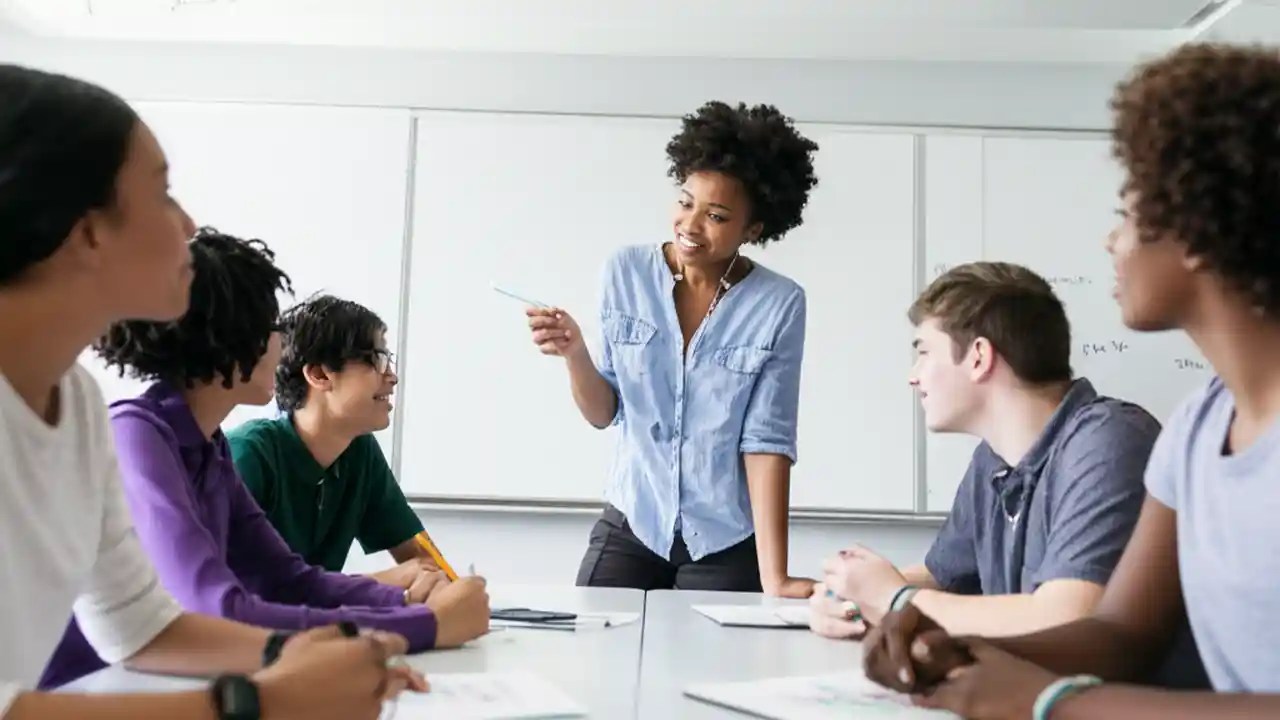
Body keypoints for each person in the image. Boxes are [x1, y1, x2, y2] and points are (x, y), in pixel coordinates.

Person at [863, 42, 1280, 719]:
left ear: (1199, 225)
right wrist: (958, 649)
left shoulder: (1121, 434)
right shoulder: (1198, 427)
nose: (1112, 242)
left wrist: (1052, 700)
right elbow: (1121, 633)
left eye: (1128, 213)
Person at [0, 63, 422, 720]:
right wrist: (260, 698)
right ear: (86, 228)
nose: (190, 223)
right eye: (163, 193)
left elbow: (140, 625)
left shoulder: (77, 401)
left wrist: (320, 654)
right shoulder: (138, 429)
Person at [42, 229, 491, 688]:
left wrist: (404, 602)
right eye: (275, 327)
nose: (284, 346)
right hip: (78, 690)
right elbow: (217, 608)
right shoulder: (136, 434)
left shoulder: (209, 445)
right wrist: (427, 626)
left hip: (158, 681)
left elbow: (288, 580)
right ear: (234, 334)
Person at [526, 101, 819, 597]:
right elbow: (604, 414)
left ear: (753, 229)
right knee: (594, 639)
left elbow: (767, 441)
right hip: (633, 522)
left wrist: (776, 577)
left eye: (717, 216)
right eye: (685, 202)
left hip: (724, 539)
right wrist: (575, 354)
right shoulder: (625, 272)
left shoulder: (779, 303)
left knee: (720, 650)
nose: (690, 225)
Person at [809, 262, 1158, 639]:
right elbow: (942, 579)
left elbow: (1067, 618)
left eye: (924, 352)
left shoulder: (1108, 440)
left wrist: (893, 600)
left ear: (978, 357)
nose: (913, 375)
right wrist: (850, 600)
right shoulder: (992, 459)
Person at [227, 294, 436, 588]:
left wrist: (448, 586)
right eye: (378, 359)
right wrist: (382, 583)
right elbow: (231, 594)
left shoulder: (359, 451)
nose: (392, 378)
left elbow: (422, 559)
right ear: (319, 374)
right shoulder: (247, 455)